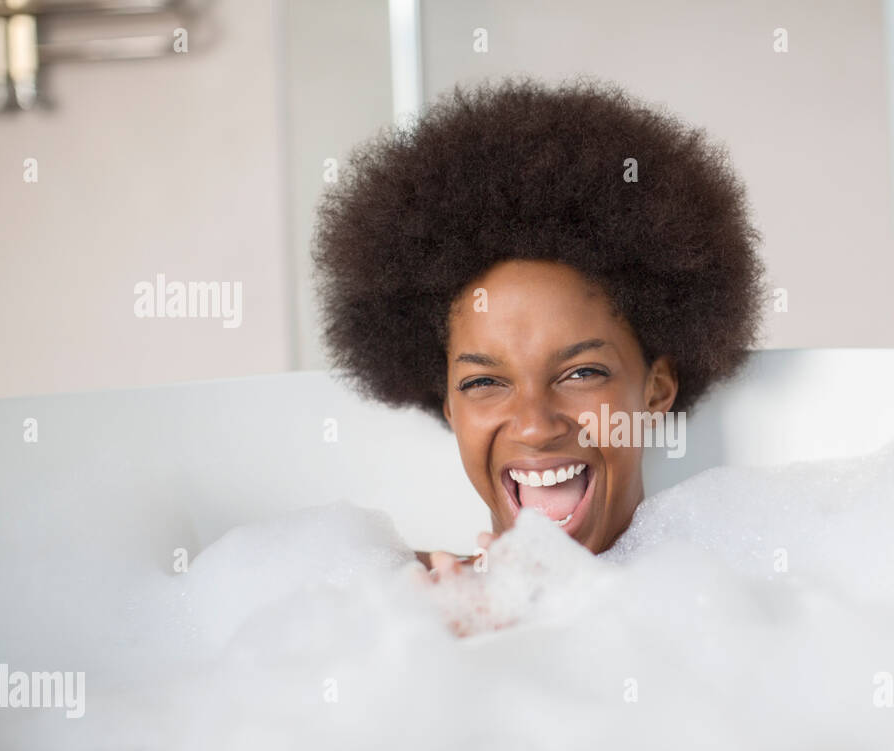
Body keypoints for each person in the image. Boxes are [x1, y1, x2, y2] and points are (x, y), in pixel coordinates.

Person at [312, 75, 764, 582]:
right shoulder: (400, 602)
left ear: (656, 391)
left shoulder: (748, 595)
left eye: (581, 372)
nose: (534, 424)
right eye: (483, 382)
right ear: (449, 409)